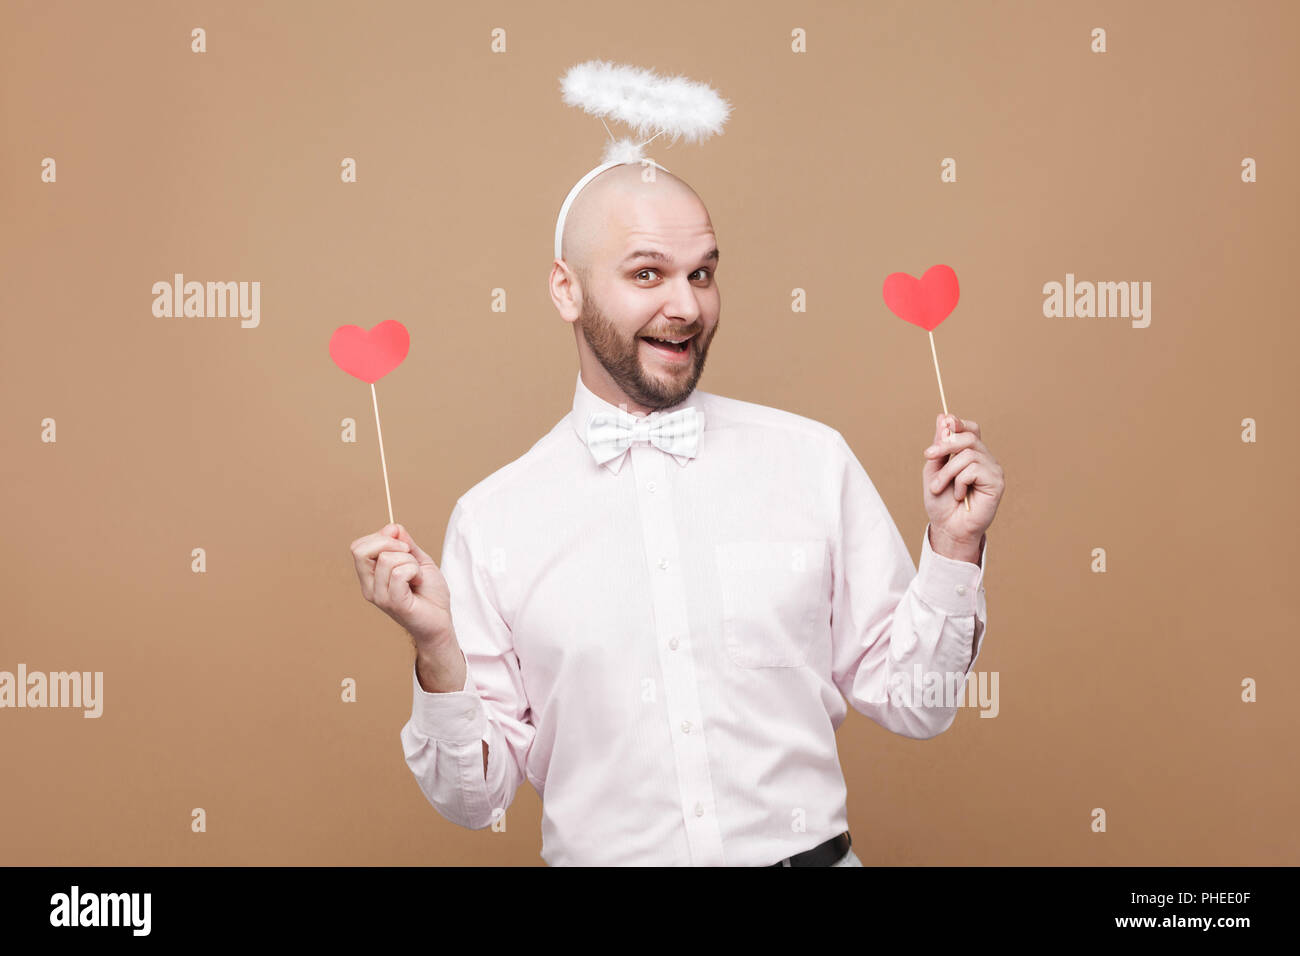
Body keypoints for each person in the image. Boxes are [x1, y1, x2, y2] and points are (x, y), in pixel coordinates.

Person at [349, 162, 1005, 866]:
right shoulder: (492, 521)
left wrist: (953, 548)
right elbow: (475, 799)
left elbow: (917, 701)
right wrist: (435, 651)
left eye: (701, 273)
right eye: (646, 275)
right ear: (566, 290)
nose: (688, 308)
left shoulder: (812, 461)